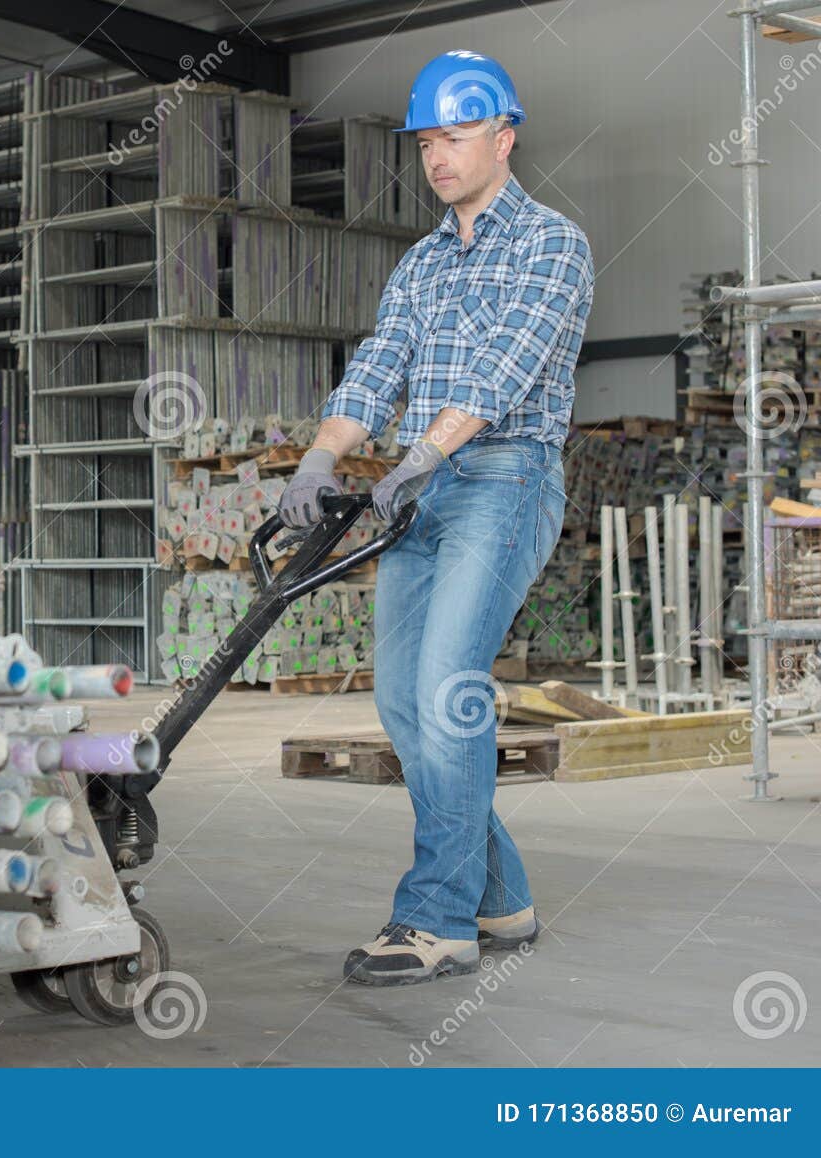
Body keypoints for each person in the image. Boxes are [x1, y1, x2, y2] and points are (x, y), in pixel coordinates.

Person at [278, 50, 594, 987]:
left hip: (504, 478)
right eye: (426, 143)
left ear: (504, 137)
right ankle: (503, 898)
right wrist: (321, 456)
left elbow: (504, 373)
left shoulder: (552, 244)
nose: (438, 157)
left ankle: (437, 920)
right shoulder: (420, 263)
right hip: (422, 492)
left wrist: (420, 454)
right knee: (404, 702)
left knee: (451, 689)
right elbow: (380, 366)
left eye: (455, 137)